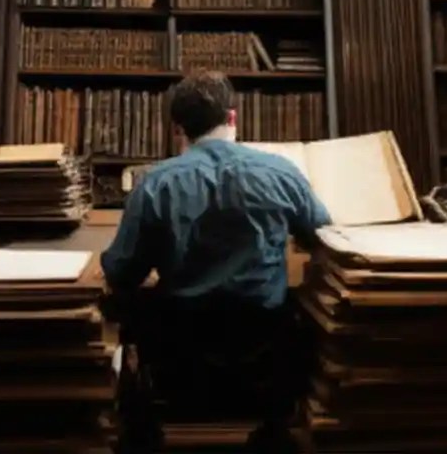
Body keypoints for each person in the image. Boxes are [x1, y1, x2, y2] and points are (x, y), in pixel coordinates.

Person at [101, 71, 331, 453]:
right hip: (264, 346)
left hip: (178, 351)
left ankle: (145, 434)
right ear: (233, 118)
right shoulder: (281, 172)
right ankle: (274, 430)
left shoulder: (155, 184)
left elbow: (123, 272)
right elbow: (323, 237)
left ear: (178, 129)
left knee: (128, 314)